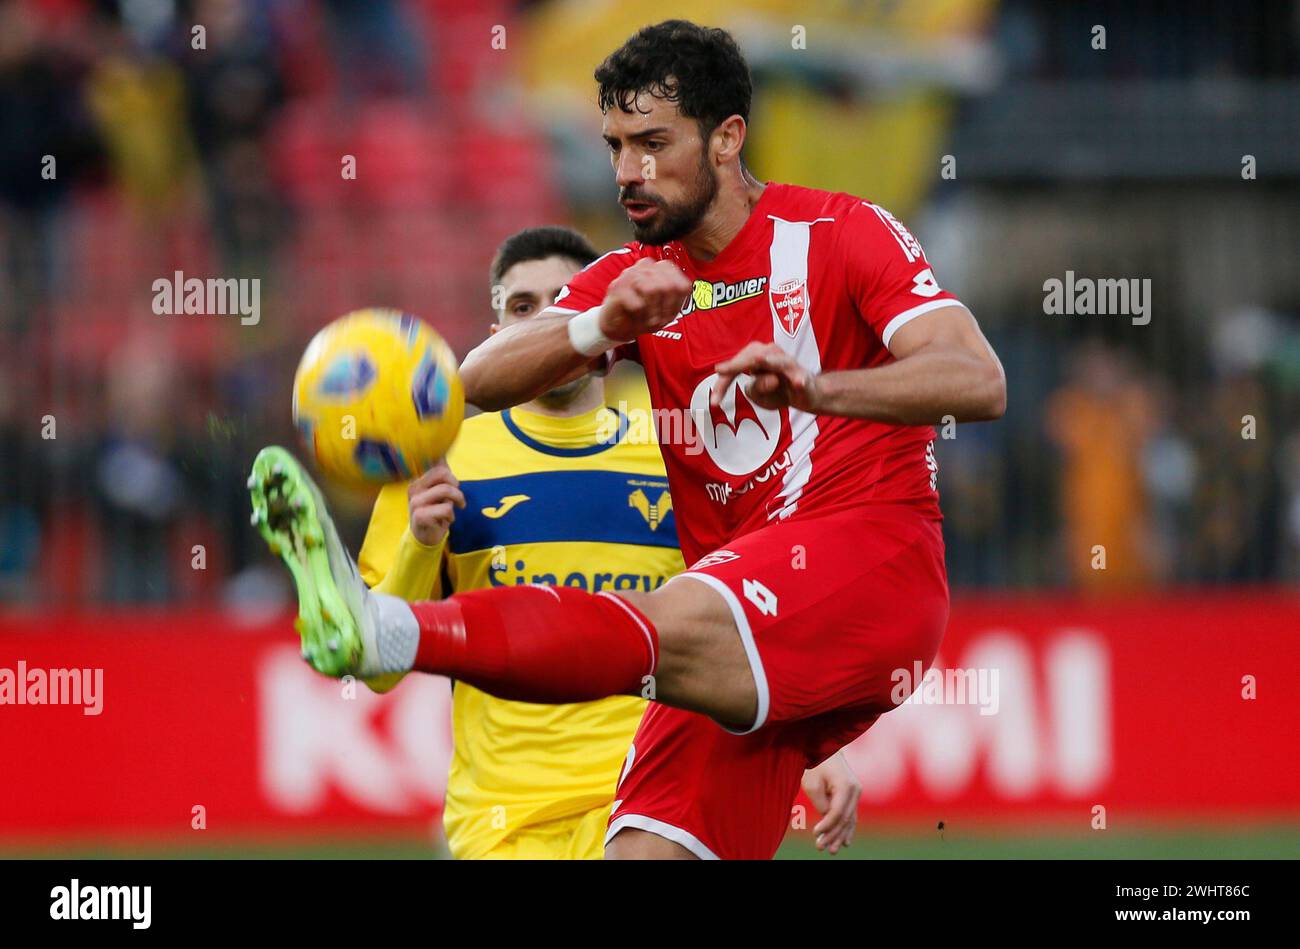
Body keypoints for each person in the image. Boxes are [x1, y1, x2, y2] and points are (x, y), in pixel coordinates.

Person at [250, 19, 1004, 859]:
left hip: (870, 555)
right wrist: (596, 325)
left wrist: (820, 389)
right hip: (741, 616)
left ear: (727, 139)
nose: (626, 174)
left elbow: (978, 380)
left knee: (650, 622)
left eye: (652, 143)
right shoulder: (636, 278)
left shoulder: (839, 233)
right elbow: (484, 376)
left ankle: (389, 631)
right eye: (614, 145)